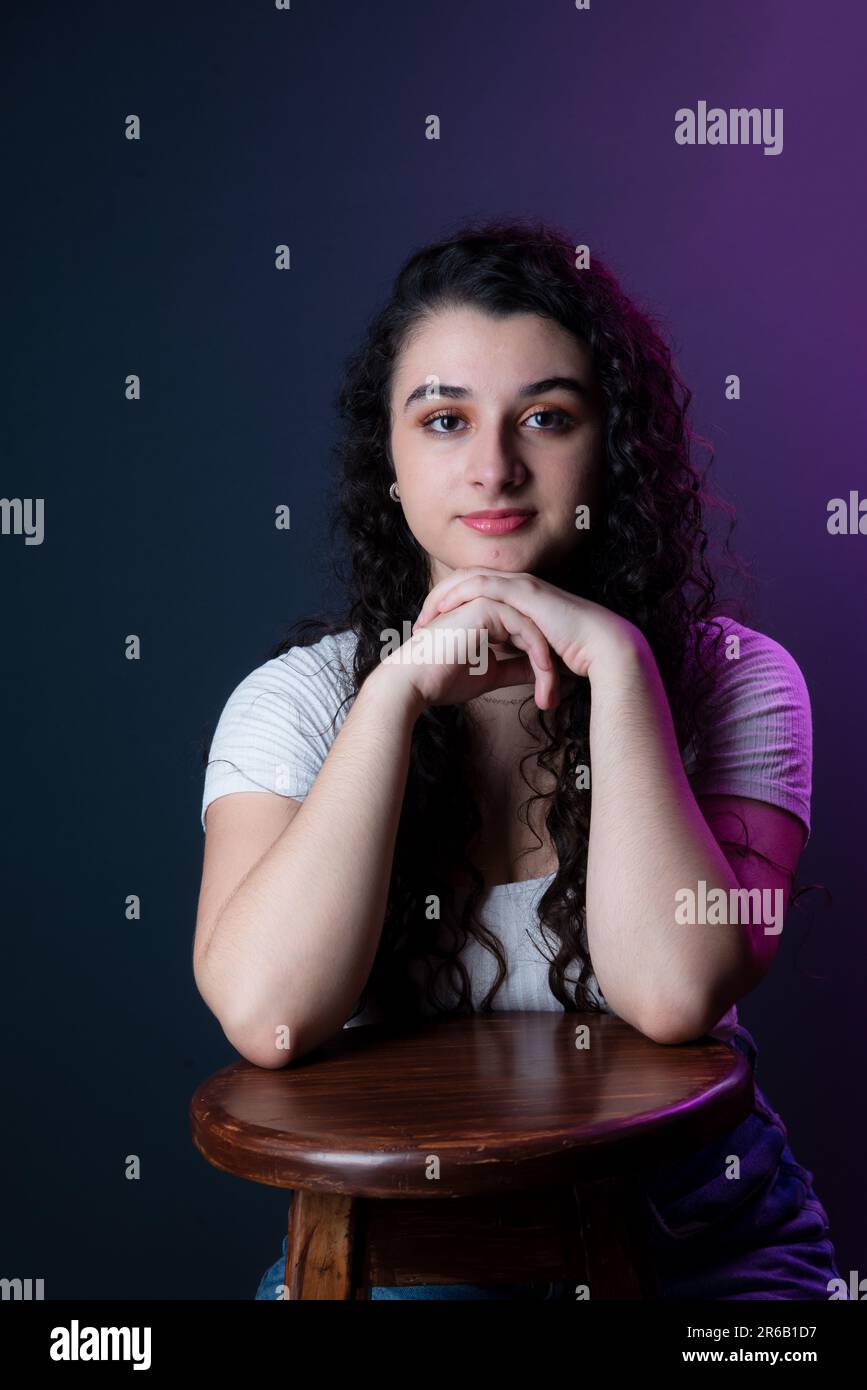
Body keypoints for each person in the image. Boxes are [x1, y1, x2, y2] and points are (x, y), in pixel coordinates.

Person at [193, 217, 846, 1300]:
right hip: (408, 1252)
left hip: (706, 1237)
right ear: (389, 463)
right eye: (444, 420)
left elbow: (676, 991)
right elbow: (268, 1015)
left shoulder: (740, 681)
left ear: (614, 447)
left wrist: (621, 667)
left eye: (546, 416)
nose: (493, 467)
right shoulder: (296, 704)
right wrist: (393, 696)